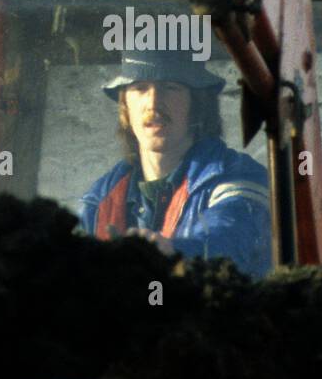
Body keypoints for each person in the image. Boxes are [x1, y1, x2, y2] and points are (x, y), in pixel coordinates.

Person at [78, 49, 273, 279]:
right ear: (125, 107)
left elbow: (228, 236)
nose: (153, 103)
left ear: (198, 103)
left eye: (170, 87)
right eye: (140, 88)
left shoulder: (240, 177)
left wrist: (173, 254)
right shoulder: (99, 198)